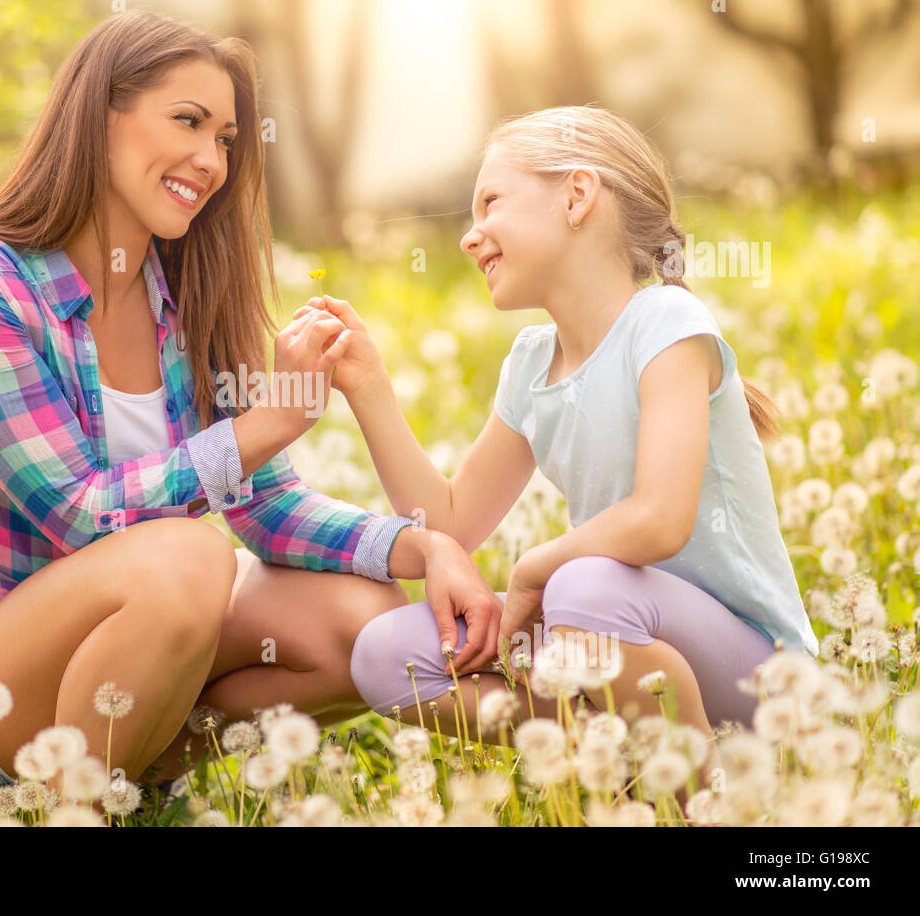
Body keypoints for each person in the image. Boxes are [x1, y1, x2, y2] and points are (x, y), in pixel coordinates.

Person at [0, 9, 493, 796]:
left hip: (142, 627)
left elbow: (264, 508)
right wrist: (266, 423)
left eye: (227, 140)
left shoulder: (187, 290)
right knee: (190, 556)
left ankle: (139, 775)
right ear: (100, 115)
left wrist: (425, 549)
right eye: (188, 122)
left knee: (358, 611)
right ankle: (76, 812)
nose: (211, 160)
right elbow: (76, 513)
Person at [306, 105, 818, 759]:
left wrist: (532, 570)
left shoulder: (665, 321)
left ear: (577, 196)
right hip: (602, 631)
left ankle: (698, 802)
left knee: (581, 585)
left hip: (763, 681)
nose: (470, 236)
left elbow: (661, 519)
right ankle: (622, 749)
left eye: (490, 202)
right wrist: (369, 387)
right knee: (386, 654)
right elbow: (452, 523)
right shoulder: (530, 362)